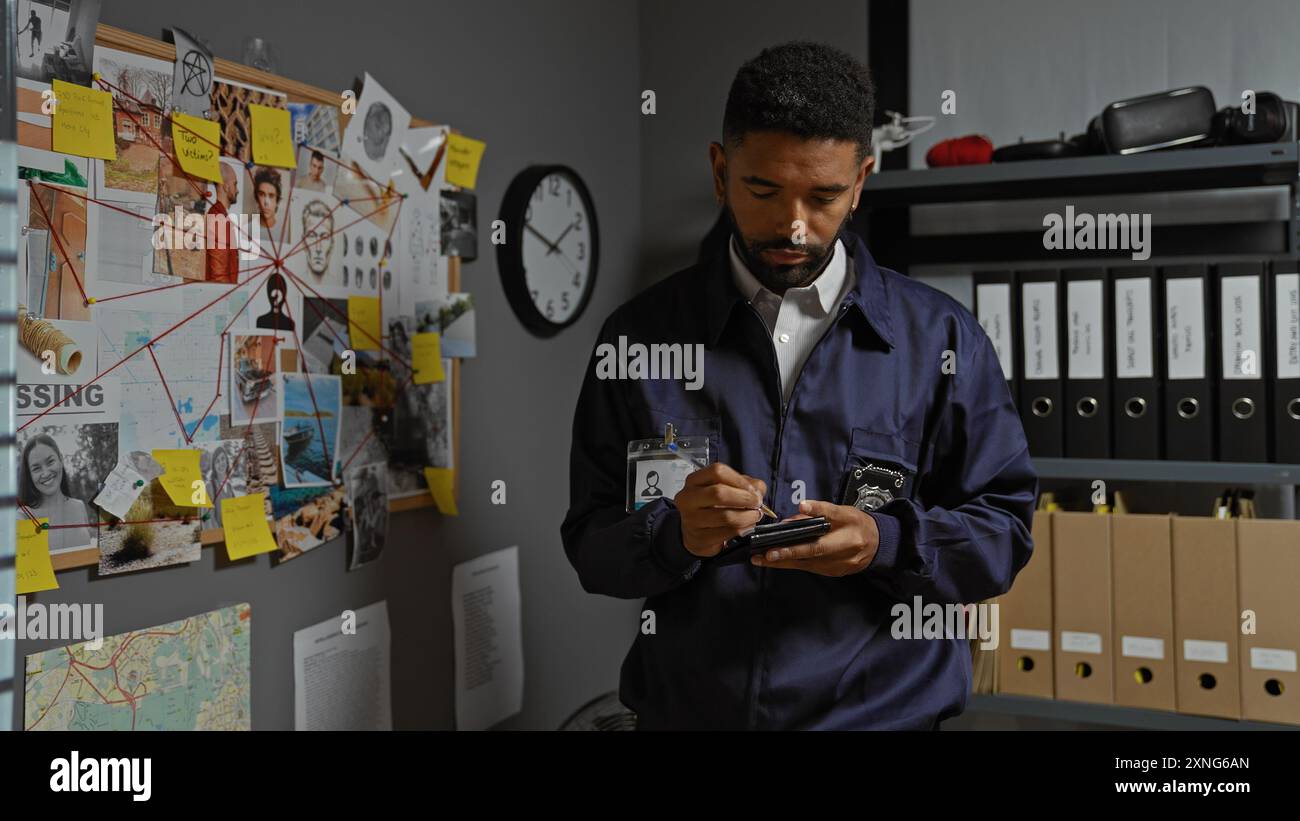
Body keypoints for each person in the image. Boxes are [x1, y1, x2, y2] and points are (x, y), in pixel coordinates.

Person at [561, 42, 1037, 730]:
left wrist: (884, 542)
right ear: (720, 172)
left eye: (823, 197)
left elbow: (1004, 534)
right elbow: (591, 546)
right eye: (763, 191)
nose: (792, 225)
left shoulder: (943, 339)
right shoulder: (638, 339)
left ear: (861, 180)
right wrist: (674, 535)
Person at [19, 433, 96, 552]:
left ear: (61, 459)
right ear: (30, 475)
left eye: (50, 462)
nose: (46, 473)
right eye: (36, 468)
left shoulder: (79, 507)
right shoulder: (23, 517)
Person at [205, 163, 241, 283]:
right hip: (221, 291)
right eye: (235, 184)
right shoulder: (218, 218)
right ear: (226, 187)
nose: (237, 190)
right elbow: (218, 275)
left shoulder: (220, 215)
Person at [252, 166, 281, 234]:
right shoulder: (247, 229)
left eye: (271, 196)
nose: (266, 202)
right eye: (262, 194)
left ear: (277, 200)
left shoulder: (284, 231)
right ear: (256, 198)